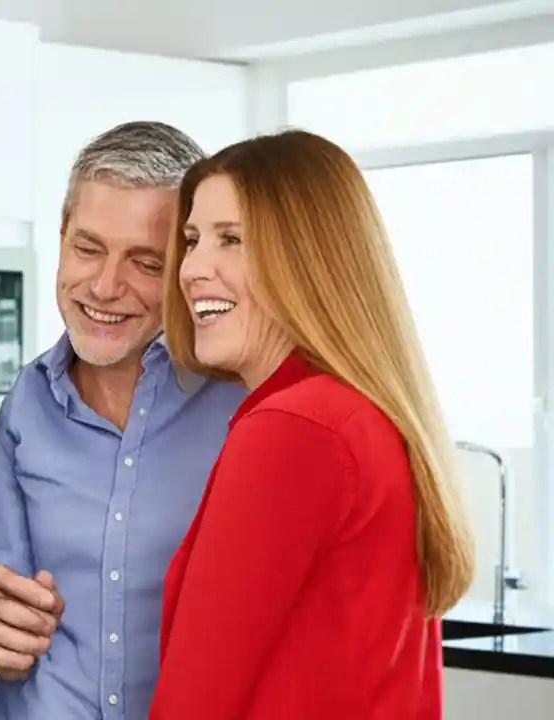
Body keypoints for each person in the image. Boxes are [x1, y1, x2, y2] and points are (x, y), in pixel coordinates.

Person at [147, 129, 476, 719]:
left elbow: (195, 700)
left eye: (232, 240)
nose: (193, 268)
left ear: (308, 258)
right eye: (193, 240)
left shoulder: (294, 429)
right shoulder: (361, 416)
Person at [0, 121, 247, 720]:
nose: (104, 285)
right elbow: (2, 611)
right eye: (88, 248)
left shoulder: (243, 404)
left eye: (145, 261)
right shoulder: (26, 404)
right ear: (63, 235)